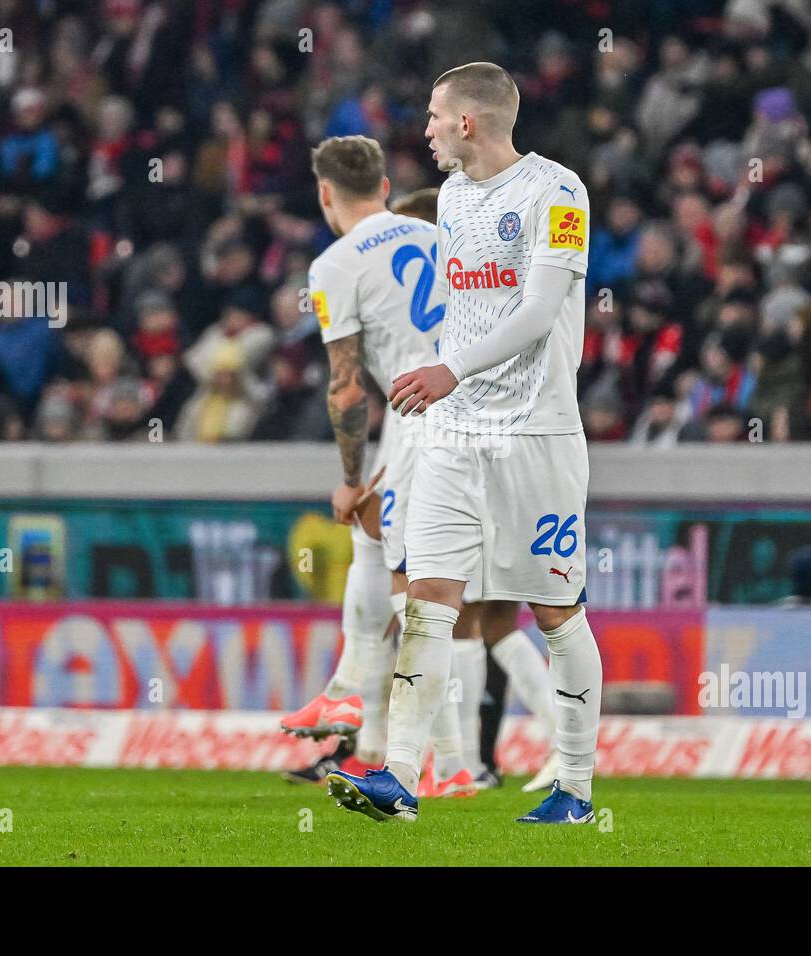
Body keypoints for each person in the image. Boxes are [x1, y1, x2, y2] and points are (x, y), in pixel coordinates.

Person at [327, 63, 601, 824]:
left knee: (555, 611)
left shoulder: (559, 191)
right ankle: (402, 778)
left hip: (537, 434)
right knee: (430, 598)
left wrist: (449, 368)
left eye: (434, 116)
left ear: (469, 124)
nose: (425, 129)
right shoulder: (450, 197)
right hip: (454, 431)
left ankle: (575, 787)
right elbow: (468, 314)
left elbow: (541, 309)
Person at [277, 139, 476, 797]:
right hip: (478, 404)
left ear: (325, 194)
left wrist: (350, 473)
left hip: (423, 418)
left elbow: (344, 387)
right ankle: (365, 709)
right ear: (386, 185)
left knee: (414, 592)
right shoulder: (431, 233)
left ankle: (434, 759)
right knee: (397, 567)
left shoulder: (334, 264)